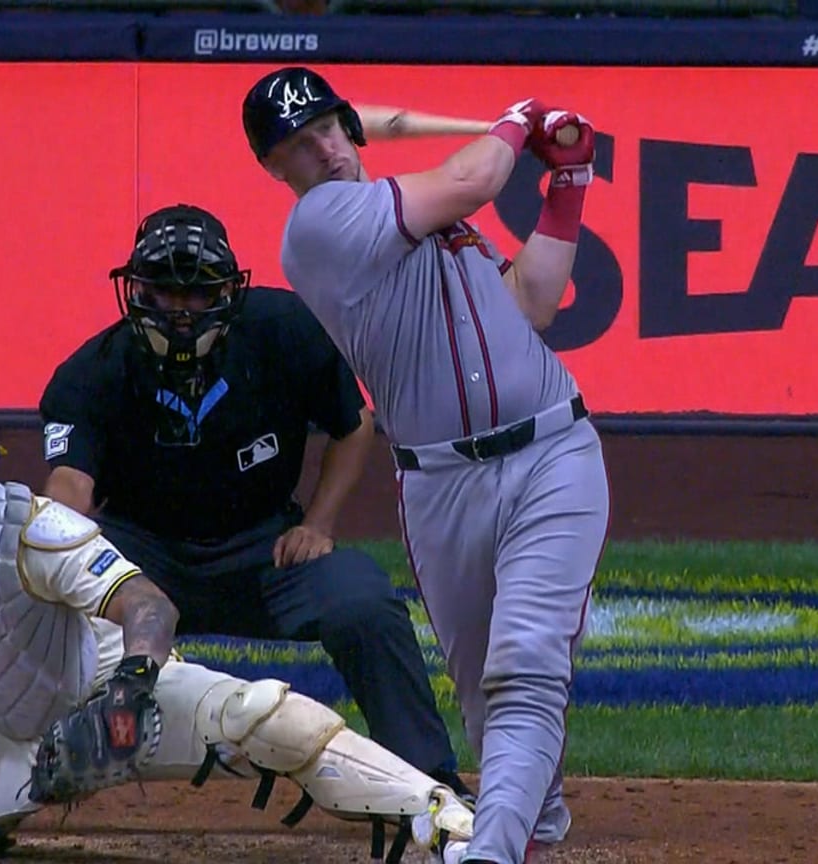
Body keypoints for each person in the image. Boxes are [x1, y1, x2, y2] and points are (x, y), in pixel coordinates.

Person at [0, 377, 474, 864]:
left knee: (275, 718)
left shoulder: (28, 526)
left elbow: (148, 604)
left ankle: (444, 816)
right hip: (10, 734)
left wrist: (130, 689)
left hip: (121, 696)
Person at [242, 68, 611, 864]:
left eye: (331, 129)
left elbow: (534, 301)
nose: (324, 150)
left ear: (352, 128)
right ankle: (536, 823)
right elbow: (473, 177)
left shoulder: (418, 221)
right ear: (277, 172)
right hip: (440, 484)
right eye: (299, 147)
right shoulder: (323, 227)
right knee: (484, 696)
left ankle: (492, 851)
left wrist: (568, 183)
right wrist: (523, 117)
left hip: (554, 454)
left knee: (525, 669)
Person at [36, 203, 473, 801]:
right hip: (143, 563)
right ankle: (22, 774)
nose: (181, 310)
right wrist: (62, 557)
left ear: (228, 290)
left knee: (365, 602)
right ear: (137, 291)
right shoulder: (90, 373)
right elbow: (70, 488)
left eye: (198, 292)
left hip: (266, 550)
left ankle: (429, 783)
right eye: (165, 292)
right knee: (47, 610)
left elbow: (354, 425)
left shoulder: (286, 328)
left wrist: (319, 523)